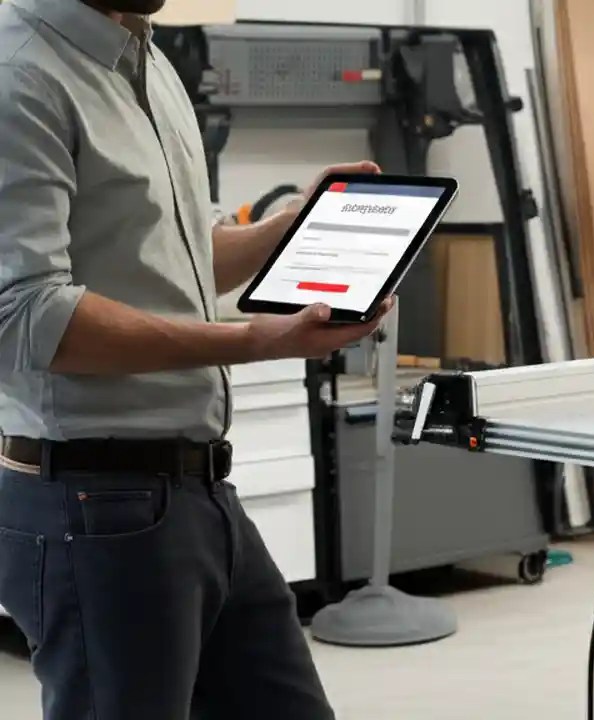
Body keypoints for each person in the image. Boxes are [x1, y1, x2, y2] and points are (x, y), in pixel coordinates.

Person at [0, 0, 389, 718]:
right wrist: (252, 341)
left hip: (199, 494)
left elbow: (175, 260)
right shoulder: (19, 75)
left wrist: (286, 230)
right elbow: (26, 315)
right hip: (92, 503)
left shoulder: (144, 59)